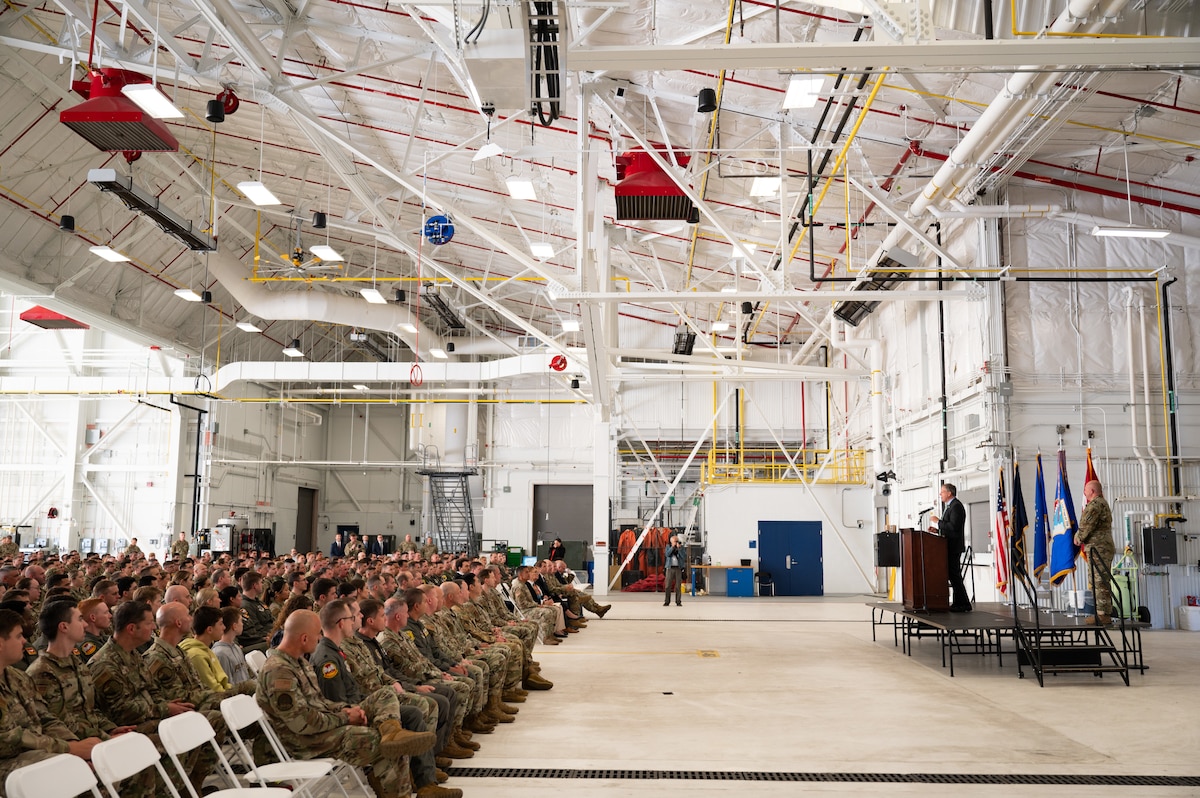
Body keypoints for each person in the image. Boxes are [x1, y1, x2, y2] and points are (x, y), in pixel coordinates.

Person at [256, 609, 439, 798]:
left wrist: (346, 710)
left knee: (385, 695)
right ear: (304, 638)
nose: (319, 638)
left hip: (321, 728)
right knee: (383, 744)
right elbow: (302, 723)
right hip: (305, 742)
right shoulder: (279, 672)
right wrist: (345, 717)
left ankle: (392, 732)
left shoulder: (298, 662)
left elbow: (320, 703)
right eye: (317, 634)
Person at [0, 608, 100, 785]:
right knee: (76, 772)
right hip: (8, 763)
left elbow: (45, 718)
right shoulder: (37, 672)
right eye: (18, 636)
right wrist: (69, 749)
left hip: (38, 752)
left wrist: (75, 743)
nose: (24, 641)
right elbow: (9, 739)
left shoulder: (18, 677)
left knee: (100, 764)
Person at [1074, 480, 1116, 625]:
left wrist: (1078, 537)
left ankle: (1103, 614)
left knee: (1100, 581)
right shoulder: (1102, 503)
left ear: (1092, 491)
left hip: (1099, 548)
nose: (1084, 493)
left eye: (1086, 490)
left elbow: (1086, 525)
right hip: (1100, 548)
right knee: (1099, 580)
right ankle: (1103, 613)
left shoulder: (1095, 505)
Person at [930, 482, 971, 612]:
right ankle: (958, 602)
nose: (940, 494)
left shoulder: (956, 507)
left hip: (954, 547)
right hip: (948, 545)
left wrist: (938, 522)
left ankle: (963, 603)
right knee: (952, 575)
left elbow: (954, 527)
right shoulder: (949, 507)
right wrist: (938, 531)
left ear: (949, 493)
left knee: (955, 575)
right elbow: (950, 528)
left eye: (942, 492)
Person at [663, 534, 684, 607]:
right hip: (670, 567)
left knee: (678, 585)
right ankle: (667, 601)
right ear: (671, 541)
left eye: (677, 541)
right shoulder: (668, 547)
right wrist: (672, 547)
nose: (676, 542)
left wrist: (679, 549)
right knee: (668, 585)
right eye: (675, 541)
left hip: (678, 568)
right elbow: (667, 554)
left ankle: (678, 601)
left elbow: (683, 556)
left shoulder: (681, 547)